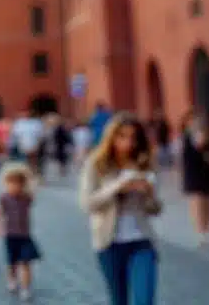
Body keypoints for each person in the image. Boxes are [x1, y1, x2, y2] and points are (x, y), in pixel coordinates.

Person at [80, 113, 161, 305]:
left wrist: (149, 194)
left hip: (141, 240)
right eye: (122, 136)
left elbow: (155, 209)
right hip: (109, 242)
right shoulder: (96, 163)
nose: (128, 143)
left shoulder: (144, 164)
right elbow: (87, 203)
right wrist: (117, 187)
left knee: (145, 300)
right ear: (111, 137)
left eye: (133, 137)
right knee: (119, 300)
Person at [0, 162, 42, 301]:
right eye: (11, 183)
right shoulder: (4, 198)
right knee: (12, 263)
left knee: (25, 262)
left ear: (23, 184)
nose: (15, 186)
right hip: (10, 236)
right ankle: (12, 279)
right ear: (6, 183)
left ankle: (26, 288)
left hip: (25, 236)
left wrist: (30, 175)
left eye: (18, 183)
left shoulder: (26, 198)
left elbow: (35, 187)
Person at [179, 112, 209, 249]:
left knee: (207, 203)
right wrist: (198, 146)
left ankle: (206, 231)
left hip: (206, 174)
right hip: (193, 174)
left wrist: (208, 151)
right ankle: (200, 233)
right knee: (197, 202)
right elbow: (185, 157)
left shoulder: (208, 138)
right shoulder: (187, 138)